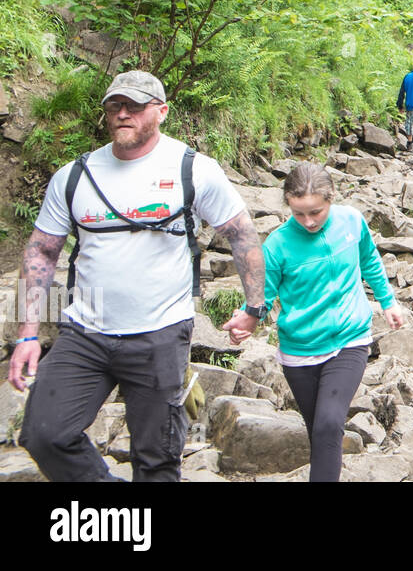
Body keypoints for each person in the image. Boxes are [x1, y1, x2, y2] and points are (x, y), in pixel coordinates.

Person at [9, 70, 265, 482]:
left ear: (161, 112)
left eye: (135, 105)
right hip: (85, 333)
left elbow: (241, 235)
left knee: (157, 458)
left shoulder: (193, 170)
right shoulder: (74, 176)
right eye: (115, 105)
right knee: (43, 434)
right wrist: (27, 334)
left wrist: (254, 305)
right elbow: (41, 252)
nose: (123, 113)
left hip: (160, 334)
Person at [227, 163, 402, 482]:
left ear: (331, 199)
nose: (308, 221)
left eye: (316, 212)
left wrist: (388, 302)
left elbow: (370, 260)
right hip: (300, 352)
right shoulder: (278, 245)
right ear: (288, 206)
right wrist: (248, 317)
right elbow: (263, 294)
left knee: (328, 424)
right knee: (319, 433)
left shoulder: (351, 221)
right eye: (299, 214)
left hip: (350, 340)